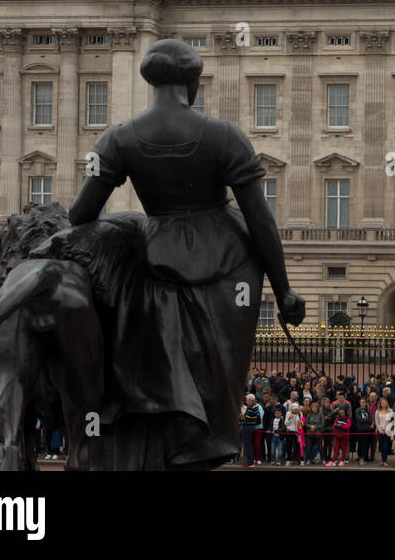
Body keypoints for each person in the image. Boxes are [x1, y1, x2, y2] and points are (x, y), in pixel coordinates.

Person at [63, 38, 306, 469]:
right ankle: (207, 440)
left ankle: (154, 436)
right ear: (193, 84)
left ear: (150, 83)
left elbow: (80, 214)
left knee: (162, 350)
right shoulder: (224, 134)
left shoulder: (117, 137)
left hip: (156, 253)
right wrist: (284, 290)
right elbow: (261, 221)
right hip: (227, 257)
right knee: (220, 365)